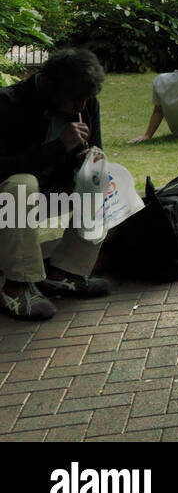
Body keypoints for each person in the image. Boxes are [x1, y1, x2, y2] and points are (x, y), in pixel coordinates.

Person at [0, 49, 112, 320]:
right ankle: (18, 285)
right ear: (52, 88)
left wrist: (87, 159)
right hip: (10, 199)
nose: (82, 106)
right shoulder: (9, 103)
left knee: (99, 176)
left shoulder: (85, 104)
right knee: (22, 184)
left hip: (50, 190)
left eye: (87, 98)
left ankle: (66, 271)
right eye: (75, 99)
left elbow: (90, 149)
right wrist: (58, 146)